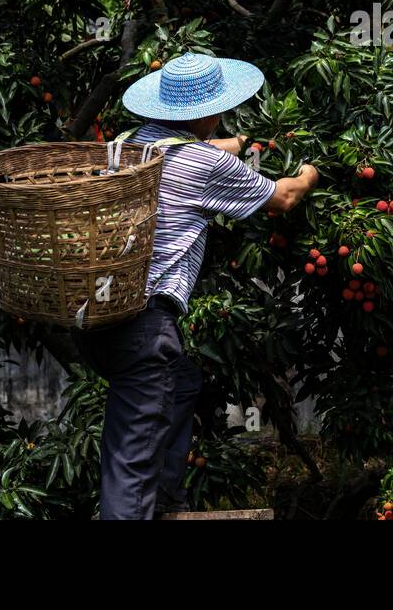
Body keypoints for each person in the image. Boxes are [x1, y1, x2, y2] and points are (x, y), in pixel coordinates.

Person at [71, 52, 318, 520]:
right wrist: (310, 174)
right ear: (207, 113)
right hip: (144, 325)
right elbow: (283, 197)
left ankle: (165, 499)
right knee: (131, 459)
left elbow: (197, 151)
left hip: (97, 320)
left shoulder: (126, 146)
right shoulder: (201, 165)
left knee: (181, 381)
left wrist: (236, 142)